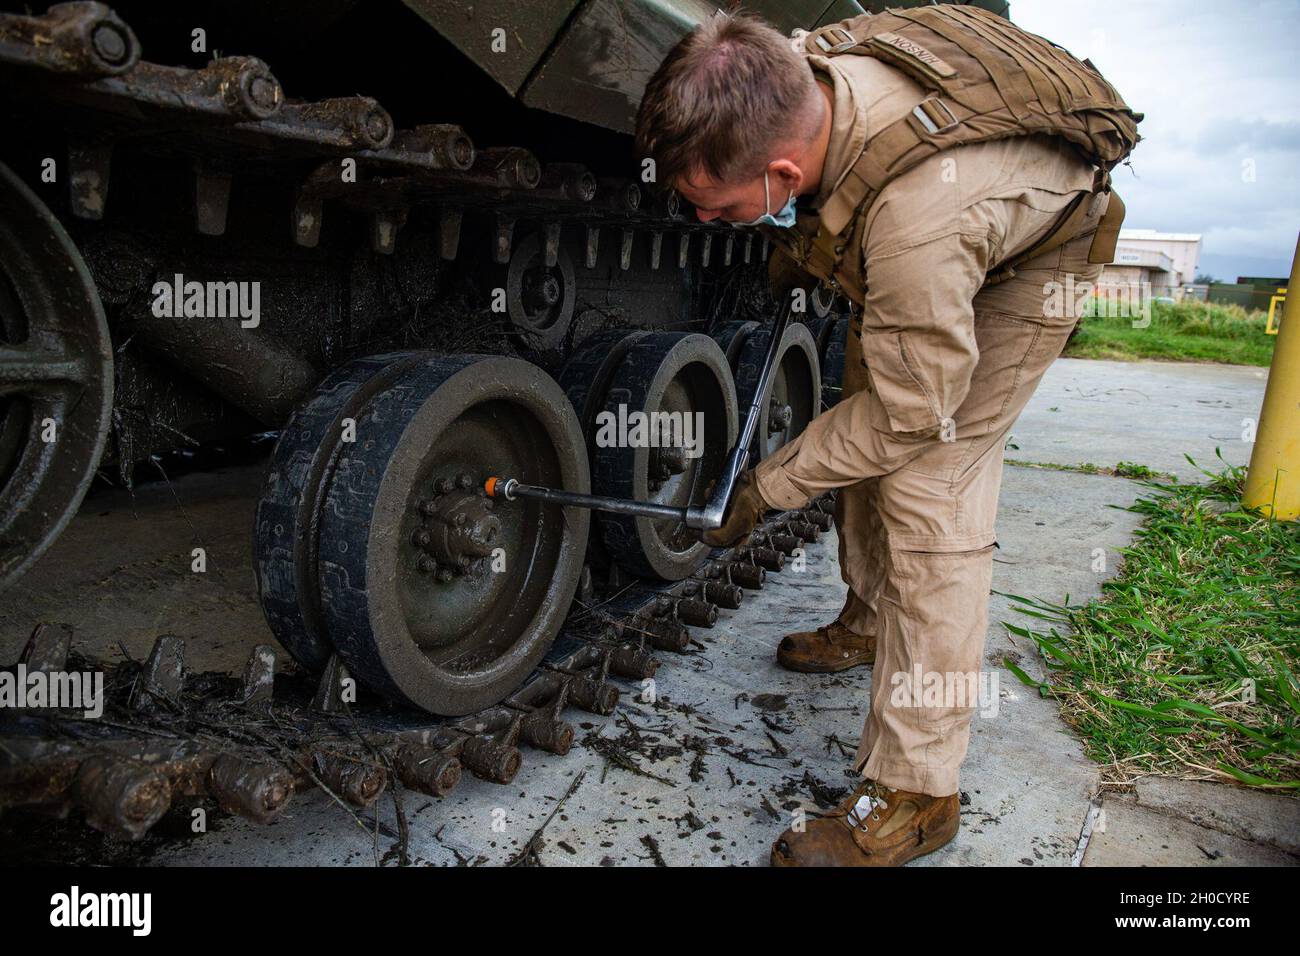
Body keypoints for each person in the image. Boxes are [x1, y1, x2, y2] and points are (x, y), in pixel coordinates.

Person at [634, 5, 1139, 866]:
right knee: (861, 408)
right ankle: (870, 619)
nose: (709, 224)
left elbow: (912, 416)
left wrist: (767, 485)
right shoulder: (789, 67)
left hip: (1031, 264)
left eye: (713, 209)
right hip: (944, 235)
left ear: (782, 174)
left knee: (929, 482)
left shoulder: (917, 224)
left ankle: (917, 789)